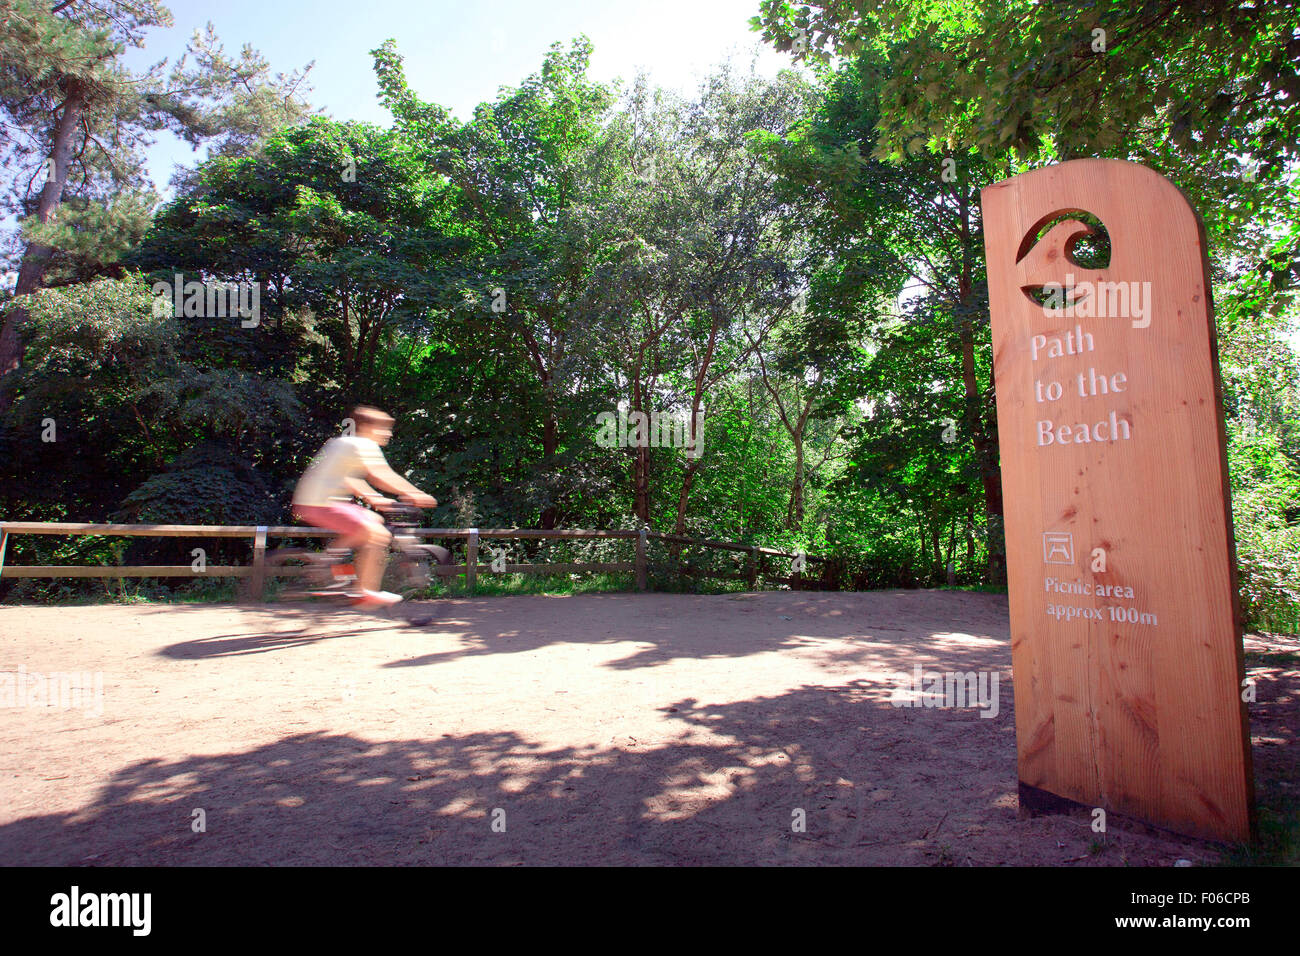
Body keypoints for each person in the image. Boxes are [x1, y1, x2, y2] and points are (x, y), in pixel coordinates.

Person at [292, 406, 437, 608]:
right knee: (378, 533)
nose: (388, 433)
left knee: (375, 520)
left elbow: (349, 478)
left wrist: (377, 500)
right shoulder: (362, 444)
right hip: (320, 503)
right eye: (383, 428)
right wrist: (417, 494)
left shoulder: (345, 443)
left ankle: (325, 562)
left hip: (316, 501)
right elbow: (381, 475)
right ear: (366, 427)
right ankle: (365, 591)